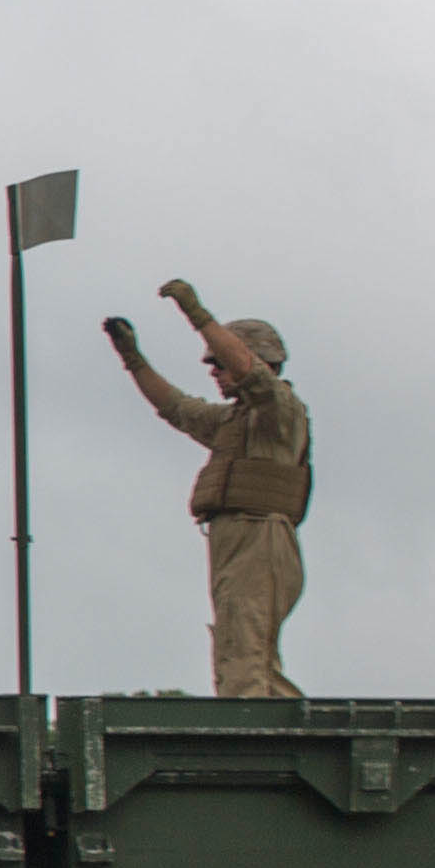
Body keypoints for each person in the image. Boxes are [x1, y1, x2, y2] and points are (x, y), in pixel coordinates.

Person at [103, 279, 312, 701]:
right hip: (239, 538)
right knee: (244, 647)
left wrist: (196, 313)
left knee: (245, 650)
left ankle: (253, 739)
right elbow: (177, 408)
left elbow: (250, 372)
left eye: (219, 362)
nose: (214, 371)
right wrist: (132, 359)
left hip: (261, 535)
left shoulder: (279, 412)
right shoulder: (236, 422)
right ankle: (272, 728)